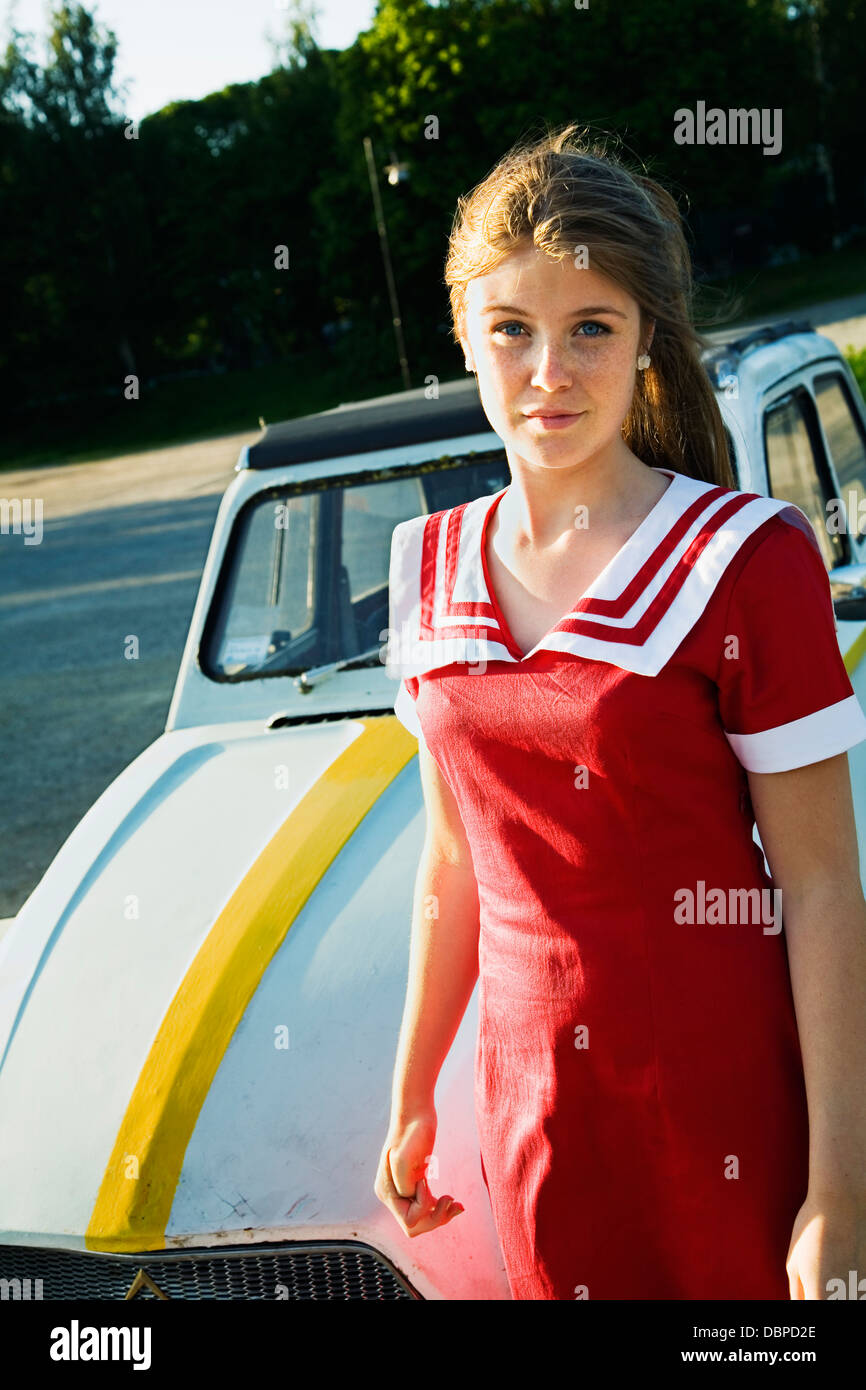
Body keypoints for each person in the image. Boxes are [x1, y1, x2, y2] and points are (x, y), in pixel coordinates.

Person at [373, 121, 866, 1300]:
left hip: (728, 1096)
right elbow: (454, 859)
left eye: (590, 328)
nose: (549, 373)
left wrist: (839, 1192)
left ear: (647, 340)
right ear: (463, 338)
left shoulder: (746, 556)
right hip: (533, 1105)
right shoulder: (422, 563)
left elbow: (819, 886)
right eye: (511, 331)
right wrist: (410, 1090)